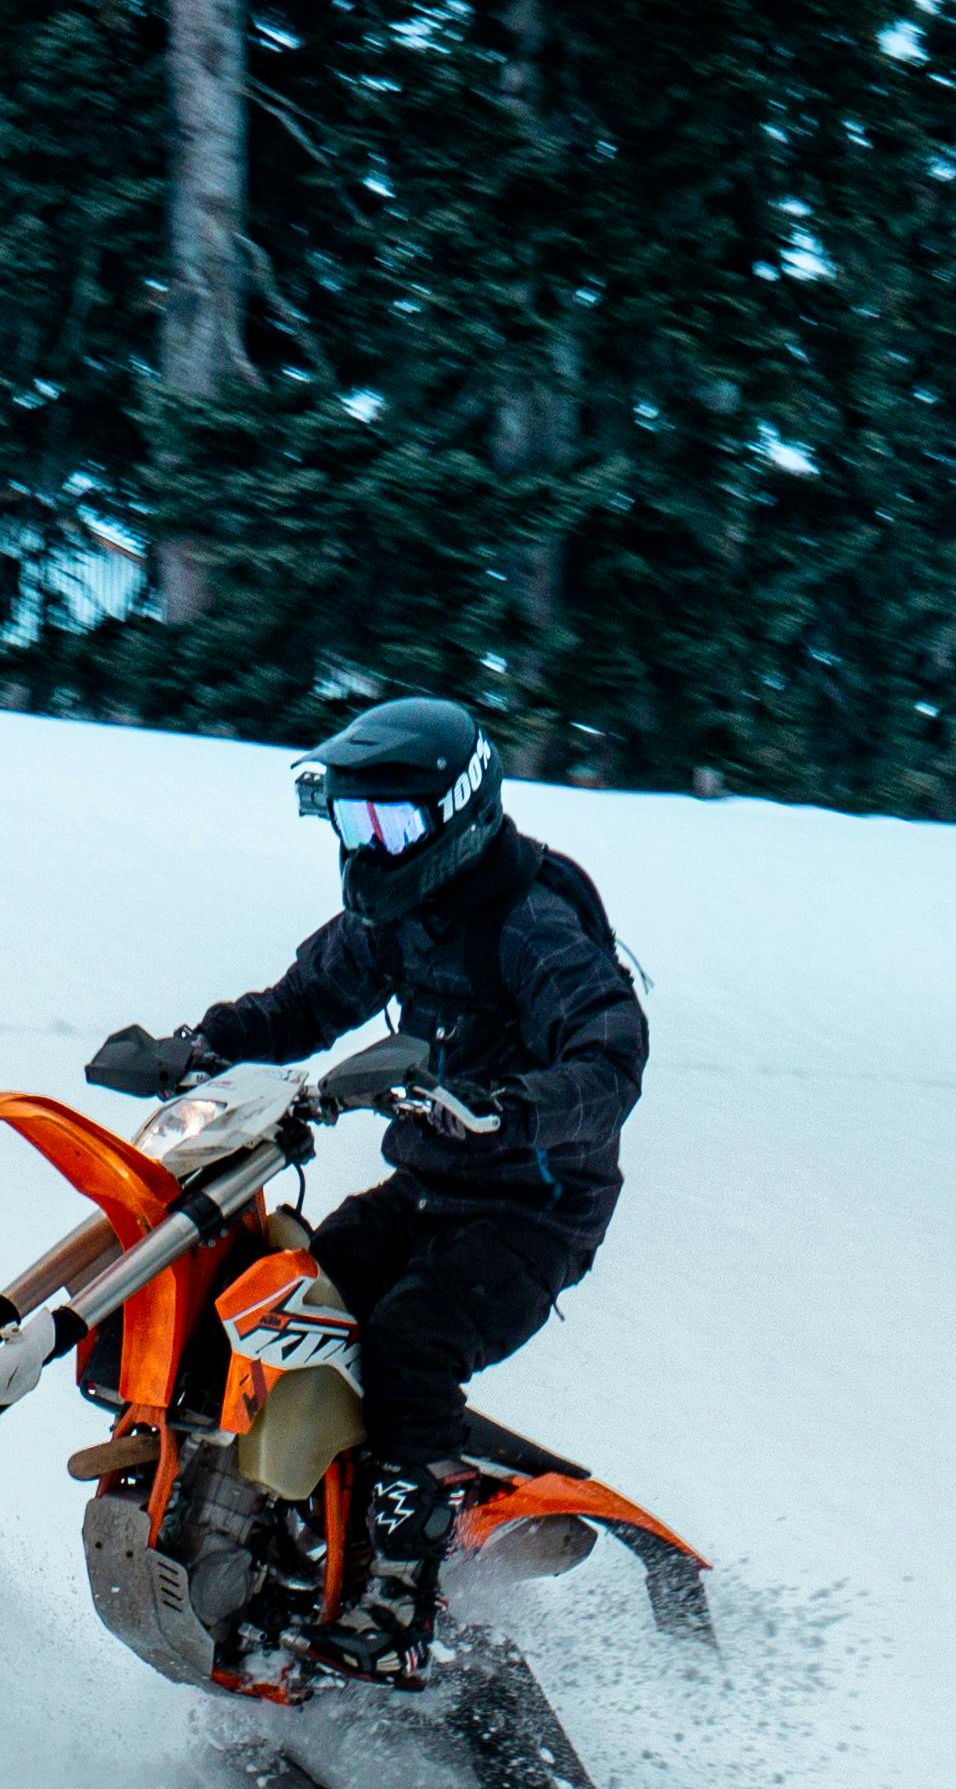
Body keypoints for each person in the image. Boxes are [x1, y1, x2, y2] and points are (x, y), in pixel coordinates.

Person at [85, 696, 648, 1679]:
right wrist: (200, 1049)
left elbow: (608, 1055)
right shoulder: (393, 918)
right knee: (277, 1295)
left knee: (408, 1343)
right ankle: (262, 1530)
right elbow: (304, 1002)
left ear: (460, 812)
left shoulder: (532, 919)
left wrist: (504, 1107)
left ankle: (397, 1596)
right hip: (429, 1185)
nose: (368, 845)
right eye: (353, 822)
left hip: (531, 1208)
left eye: (389, 823)